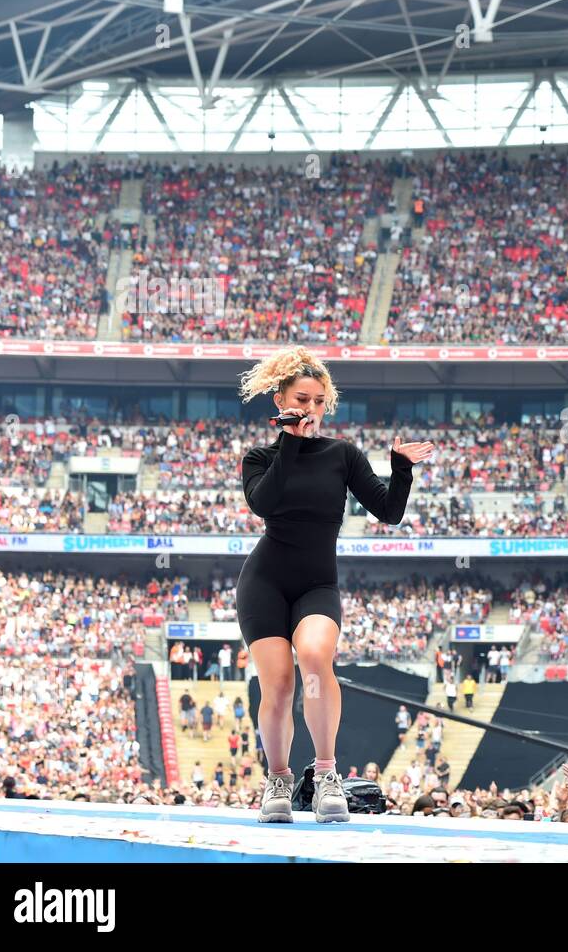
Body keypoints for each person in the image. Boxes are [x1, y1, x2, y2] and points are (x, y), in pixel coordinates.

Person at [235, 345, 434, 823]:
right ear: (280, 398)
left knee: (316, 657)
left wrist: (401, 468)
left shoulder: (341, 455)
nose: (311, 409)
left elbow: (389, 511)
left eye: (320, 401)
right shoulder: (259, 457)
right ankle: (278, 780)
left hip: (316, 583)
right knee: (278, 687)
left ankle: (326, 773)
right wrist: (290, 443)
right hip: (264, 582)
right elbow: (264, 504)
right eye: (302, 398)